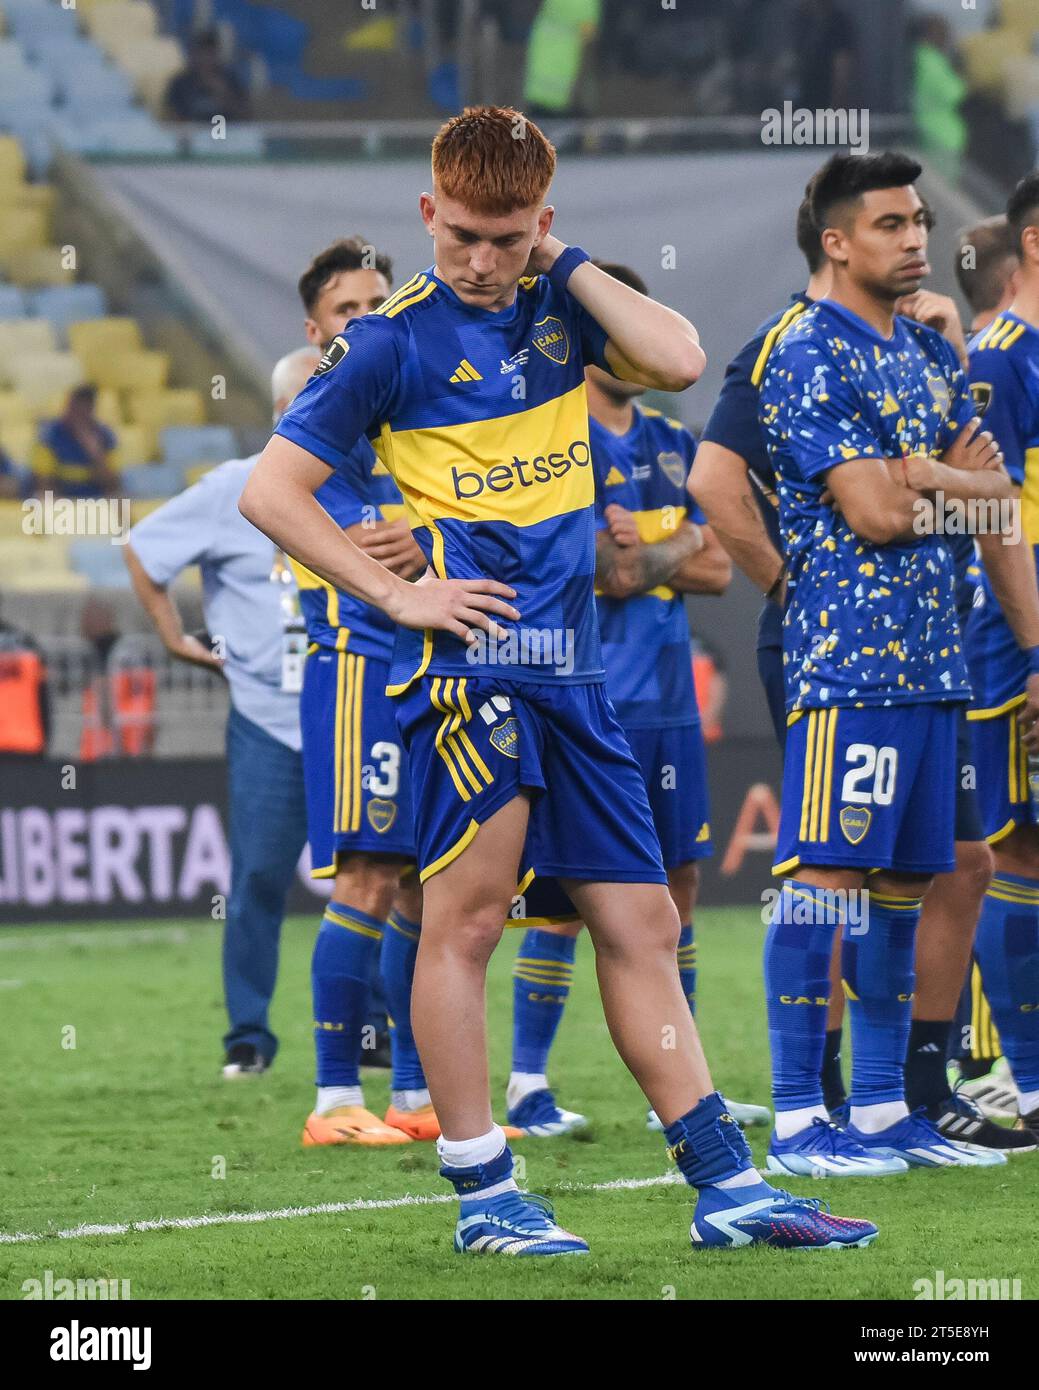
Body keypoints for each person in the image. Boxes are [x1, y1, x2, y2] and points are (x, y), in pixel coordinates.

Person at [241, 104, 876, 1254]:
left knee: (637, 918)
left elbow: (681, 358)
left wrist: (564, 263)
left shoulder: (558, 311)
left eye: (508, 237)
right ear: (427, 213)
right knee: (468, 924)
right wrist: (399, 594)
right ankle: (485, 1191)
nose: (482, 263)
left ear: (541, 223)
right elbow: (270, 492)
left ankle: (727, 1188)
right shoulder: (387, 341)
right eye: (462, 237)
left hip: (578, 677)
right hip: (467, 678)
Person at [695, 178, 1033, 1160]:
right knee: (827, 881)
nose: (916, 237)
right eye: (891, 224)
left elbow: (996, 502)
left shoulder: (930, 351)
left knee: (905, 883)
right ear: (836, 243)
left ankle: (883, 1106)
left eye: (920, 220)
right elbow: (874, 513)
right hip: (852, 661)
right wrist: (938, 486)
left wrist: (938, 478)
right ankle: (804, 1116)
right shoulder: (803, 348)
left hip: (937, 661)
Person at [504, 259, 770, 1139]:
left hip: (668, 698)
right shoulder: (551, 440)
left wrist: (655, 549)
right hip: (591, 697)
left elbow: (716, 566)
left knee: (679, 885)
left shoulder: (669, 438)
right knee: (564, 898)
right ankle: (527, 1084)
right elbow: (604, 572)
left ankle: (682, 1083)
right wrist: (668, 546)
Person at [124, 350, 315, 1078]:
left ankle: (376, 1029)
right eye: (307, 398)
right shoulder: (235, 487)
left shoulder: (367, 483)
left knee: (382, 877)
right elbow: (142, 549)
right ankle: (248, 1035)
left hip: (355, 707)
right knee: (259, 878)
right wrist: (173, 636)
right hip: (268, 713)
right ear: (277, 412)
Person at [293, 240, 439, 1146]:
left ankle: (416, 1096)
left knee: (429, 881)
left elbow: (424, 540)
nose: (367, 318)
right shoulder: (325, 421)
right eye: (348, 309)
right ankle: (333, 1099)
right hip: (357, 668)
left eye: (379, 302)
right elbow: (374, 552)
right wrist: (429, 528)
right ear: (316, 332)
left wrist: (422, 531)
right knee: (369, 875)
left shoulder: (410, 414)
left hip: (424, 668)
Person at [962, 171, 1039, 1147]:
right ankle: (1018, 1075)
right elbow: (994, 521)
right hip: (1014, 643)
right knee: (1013, 847)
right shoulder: (1000, 361)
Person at [36, 386, 117, 500]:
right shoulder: (49, 435)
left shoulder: (105, 436)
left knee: (121, 502)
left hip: (95, 496)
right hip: (61, 496)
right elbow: (43, 480)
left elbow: (112, 484)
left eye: (84, 408)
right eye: (74, 407)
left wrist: (96, 454)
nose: (78, 413)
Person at [164, 28, 251, 124]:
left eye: (210, 53)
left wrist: (223, 94)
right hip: (192, 134)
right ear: (193, 54)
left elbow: (246, 117)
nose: (205, 59)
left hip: (227, 134)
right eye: (201, 53)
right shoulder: (180, 83)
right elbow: (171, 116)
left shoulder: (231, 79)